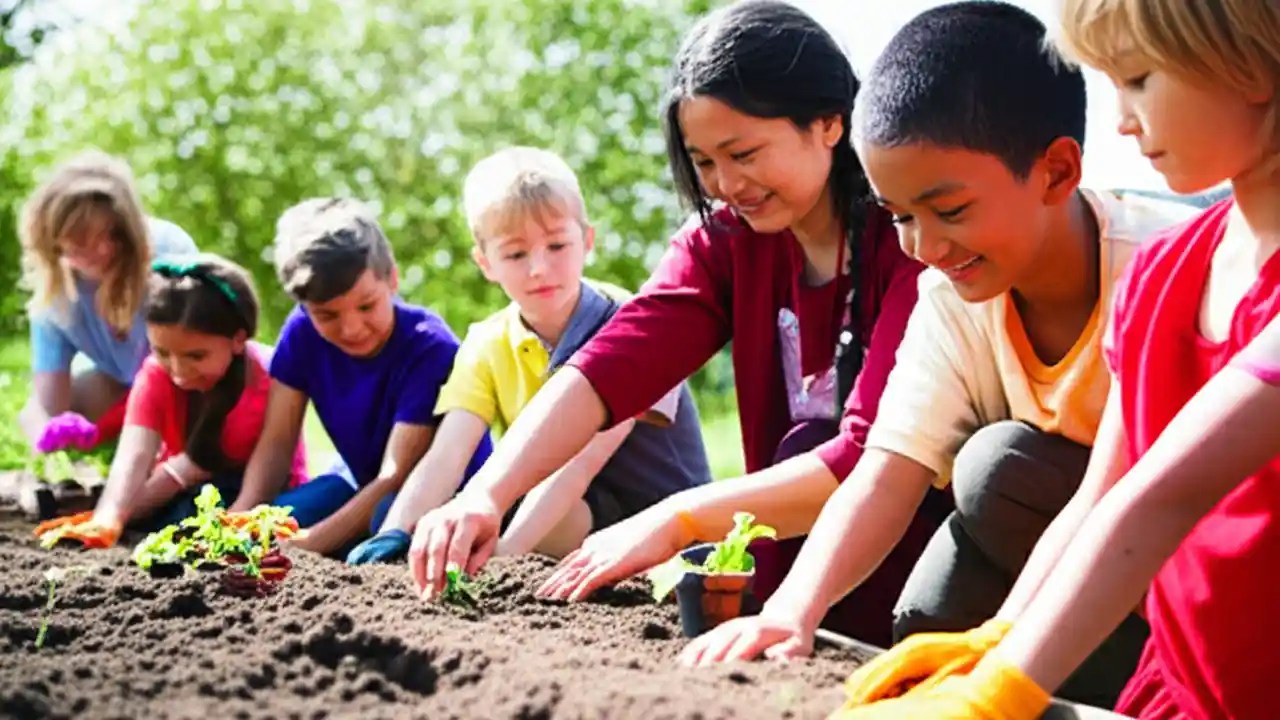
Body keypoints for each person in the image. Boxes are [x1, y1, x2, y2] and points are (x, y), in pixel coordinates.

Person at [680, 3, 1196, 708]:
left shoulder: (1161, 270)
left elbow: (1120, 496)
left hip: (1184, 556)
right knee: (926, 624)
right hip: (1058, 544)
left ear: (1055, 171)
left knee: (994, 465)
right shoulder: (951, 297)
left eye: (949, 212)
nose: (921, 245)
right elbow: (885, 473)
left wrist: (1006, 654)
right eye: (899, 217)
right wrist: (791, 610)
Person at [406, 0, 943, 647]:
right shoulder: (725, 244)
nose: (725, 183)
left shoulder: (913, 242)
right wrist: (486, 495)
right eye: (705, 162)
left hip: (922, 560)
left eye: (743, 153)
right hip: (789, 572)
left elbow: (873, 455)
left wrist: (680, 518)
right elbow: (615, 365)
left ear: (828, 123)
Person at [831, 0, 1280, 717]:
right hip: (1185, 694)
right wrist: (1001, 638)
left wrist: (1003, 689)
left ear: (1249, 63)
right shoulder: (1162, 279)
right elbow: (1101, 498)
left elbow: (1164, 495)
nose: (1122, 120)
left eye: (1136, 79)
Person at [347, 147, 711, 565]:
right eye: (516, 254)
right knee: (416, 518)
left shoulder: (631, 325)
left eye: (557, 245)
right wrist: (395, 531)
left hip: (662, 523)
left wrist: (503, 562)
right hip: (570, 512)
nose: (539, 268)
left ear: (587, 240)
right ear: (485, 262)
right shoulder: (486, 342)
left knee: (509, 519)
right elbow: (446, 456)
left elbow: (578, 466)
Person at [226, 198, 491, 556]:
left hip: (431, 496)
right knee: (280, 518)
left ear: (392, 278)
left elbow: (395, 475)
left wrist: (304, 546)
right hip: (357, 482)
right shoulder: (302, 332)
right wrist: (238, 521)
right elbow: (276, 443)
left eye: (367, 306)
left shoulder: (430, 347)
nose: (351, 328)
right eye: (327, 315)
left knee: (384, 524)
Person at [33, 255, 305, 547]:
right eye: (163, 352)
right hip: (191, 489)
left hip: (267, 494)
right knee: (182, 512)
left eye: (196, 356)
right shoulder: (155, 374)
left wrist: (231, 527)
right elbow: (134, 454)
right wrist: (107, 519)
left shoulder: (271, 376)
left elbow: (267, 471)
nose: (178, 372)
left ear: (238, 340)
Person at [18, 151, 197, 452]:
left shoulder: (169, 254)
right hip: (119, 387)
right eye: (79, 242)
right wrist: (48, 433)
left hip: (185, 383)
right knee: (36, 412)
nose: (99, 250)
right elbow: (50, 400)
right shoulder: (59, 293)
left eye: (109, 234)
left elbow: (199, 354)